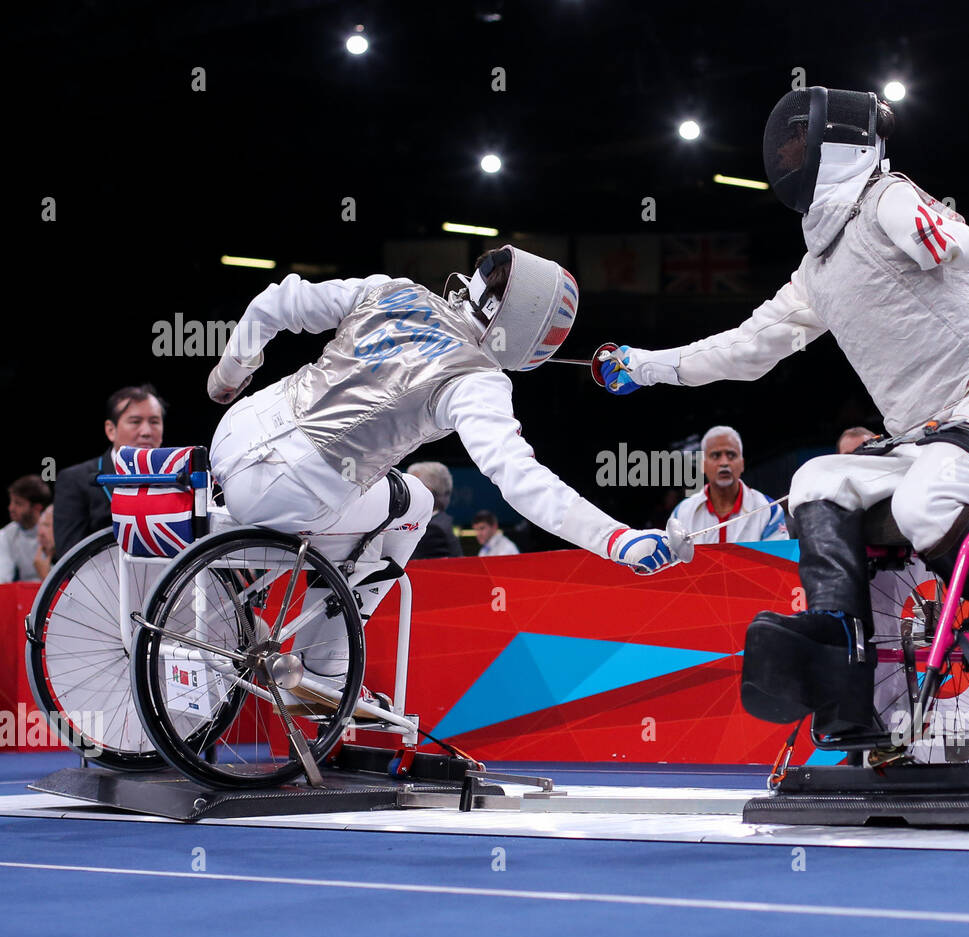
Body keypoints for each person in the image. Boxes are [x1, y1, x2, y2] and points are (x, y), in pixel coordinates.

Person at [598, 86, 969, 728]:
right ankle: (845, 670)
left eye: (799, 144)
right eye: (784, 147)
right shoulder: (817, 270)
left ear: (838, 144)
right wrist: (650, 365)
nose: (788, 156)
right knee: (815, 482)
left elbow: (959, 243)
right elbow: (747, 348)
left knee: (923, 504)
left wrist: (937, 233)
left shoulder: (888, 196)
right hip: (930, 437)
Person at [206, 246, 674, 679]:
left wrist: (229, 375)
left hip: (230, 437)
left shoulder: (392, 289)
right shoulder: (477, 378)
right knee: (414, 506)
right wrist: (615, 539)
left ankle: (309, 649)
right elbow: (519, 478)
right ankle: (323, 670)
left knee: (380, 505)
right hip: (287, 494)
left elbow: (275, 303)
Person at [53, 385, 165, 562]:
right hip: (101, 584)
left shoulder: (178, 478)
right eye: (135, 422)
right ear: (110, 430)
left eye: (154, 421)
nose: (146, 432)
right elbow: (68, 554)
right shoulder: (74, 480)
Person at [669, 426, 787, 544]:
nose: (724, 463)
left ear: (742, 464)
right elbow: (671, 561)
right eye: (716, 455)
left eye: (731, 455)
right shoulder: (681, 513)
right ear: (703, 465)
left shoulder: (769, 510)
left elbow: (779, 560)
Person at [0, 475, 52, 582]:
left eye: (18, 504)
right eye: (11, 502)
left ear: (37, 508)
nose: (11, 508)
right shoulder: (6, 534)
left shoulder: (55, 530)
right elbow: (3, 576)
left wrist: (45, 575)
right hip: (25, 593)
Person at [407, 461, 463, 559]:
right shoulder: (440, 523)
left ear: (427, 491)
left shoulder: (432, 530)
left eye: (412, 486)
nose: (407, 491)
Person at [32, 506, 55, 581]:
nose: (40, 533)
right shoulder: (39, 561)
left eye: (47, 525)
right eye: (39, 526)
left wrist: (45, 576)